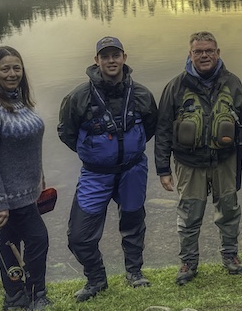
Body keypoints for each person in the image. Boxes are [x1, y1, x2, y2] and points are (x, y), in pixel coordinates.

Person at [58, 36, 158, 302]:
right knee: (79, 235)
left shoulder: (141, 94)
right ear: (96, 61)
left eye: (115, 55)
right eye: (105, 56)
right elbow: (67, 133)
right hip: (95, 174)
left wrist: (127, 150)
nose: (111, 61)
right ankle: (96, 279)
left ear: (124, 57)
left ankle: (135, 273)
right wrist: (97, 154)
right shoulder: (78, 97)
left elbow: (150, 127)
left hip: (133, 170)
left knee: (134, 224)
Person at [155, 31, 242, 286]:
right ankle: (188, 262)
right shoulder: (175, 86)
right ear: (190, 54)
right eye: (198, 51)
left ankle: (231, 256)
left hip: (226, 160)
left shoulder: (233, 83)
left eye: (209, 50)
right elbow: (163, 130)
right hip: (189, 164)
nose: (204, 55)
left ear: (218, 53)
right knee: (189, 215)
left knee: (229, 211)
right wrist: (162, 168)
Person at [0, 46, 51, 311]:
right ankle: (27, 295)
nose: (12, 73)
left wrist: (40, 177)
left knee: (14, 241)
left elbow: (27, 146)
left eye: (17, 67)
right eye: (5, 68)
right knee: (33, 240)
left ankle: (22, 296)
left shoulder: (17, 99)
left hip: (26, 191)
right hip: (9, 195)